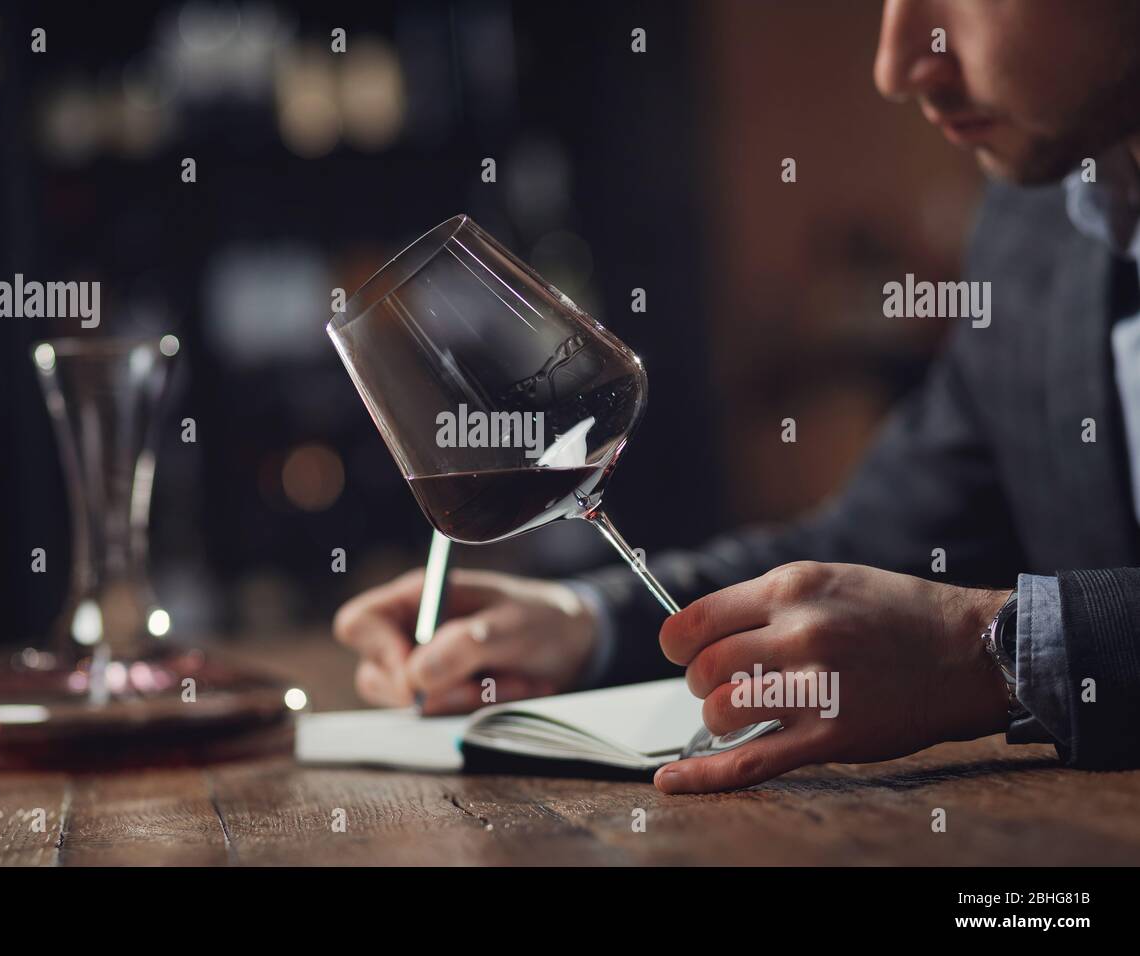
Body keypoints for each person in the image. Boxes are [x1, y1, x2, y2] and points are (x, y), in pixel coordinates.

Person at [334, 0, 1140, 793]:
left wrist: (987, 654)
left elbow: (940, 635)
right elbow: (871, 544)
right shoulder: (1044, 218)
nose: (896, 65)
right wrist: (580, 624)